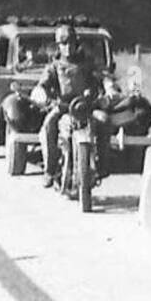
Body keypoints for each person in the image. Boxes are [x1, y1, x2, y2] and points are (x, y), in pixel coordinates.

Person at [37, 24, 104, 190]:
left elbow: (99, 79)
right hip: (64, 107)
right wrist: (44, 96)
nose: (67, 47)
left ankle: (103, 165)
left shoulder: (87, 63)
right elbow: (43, 85)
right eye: (63, 43)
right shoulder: (54, 65)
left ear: (76, 43)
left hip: (86, 106)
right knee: (48, 125)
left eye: (71, 42)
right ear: (58, 45)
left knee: (104, 120)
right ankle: (50, 170)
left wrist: (102, 91)